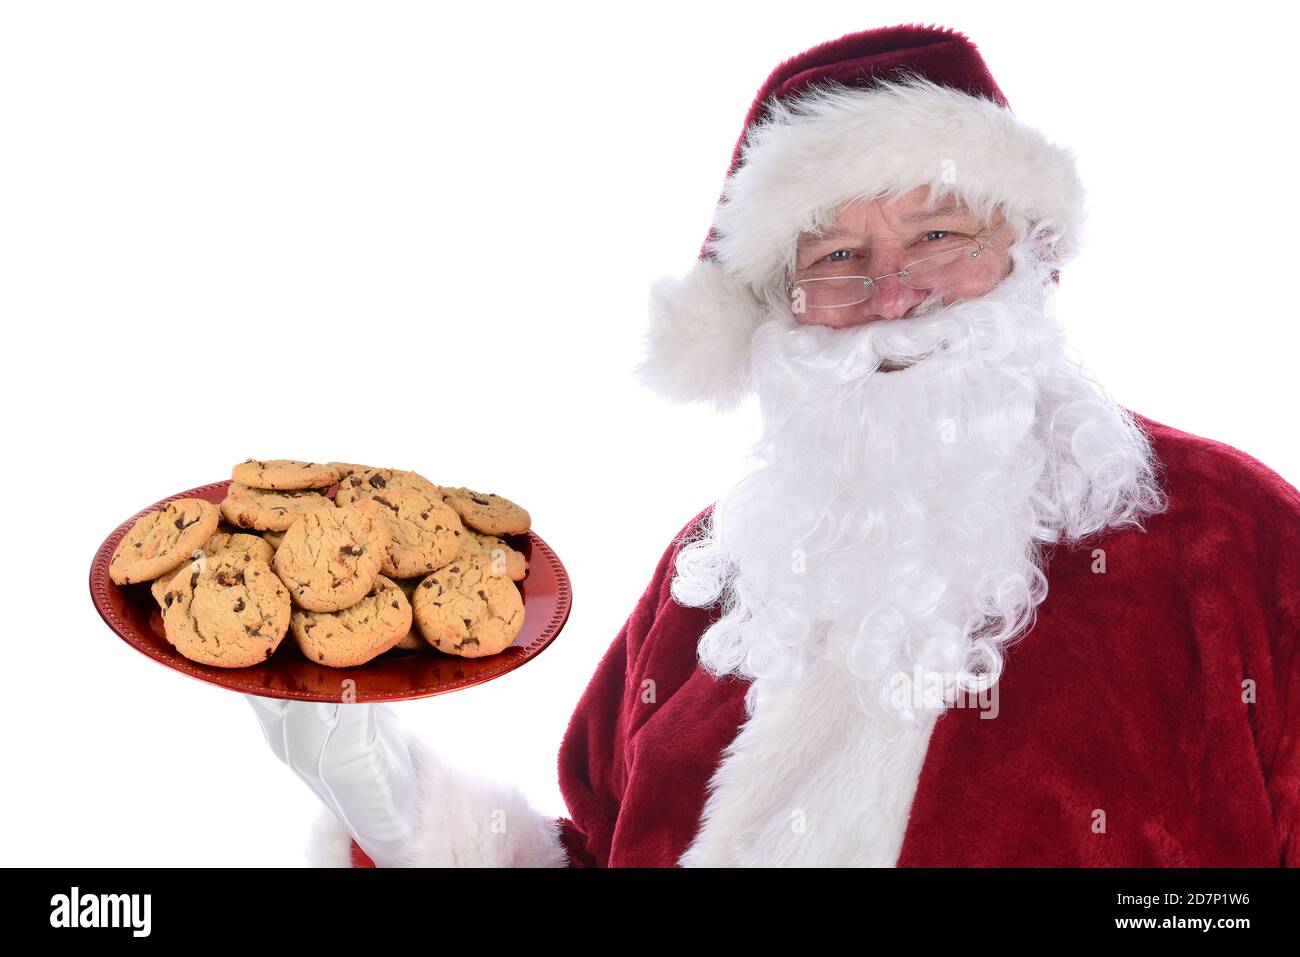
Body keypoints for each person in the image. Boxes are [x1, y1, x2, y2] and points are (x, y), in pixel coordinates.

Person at [248, 23, 1300, 867]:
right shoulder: (705, 578)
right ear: (775, 315)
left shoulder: (1236, 539)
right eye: (837, 257)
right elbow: (603, 850)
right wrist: (399, 820)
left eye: (939, 235)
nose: (893, 295)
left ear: (1030, 256)